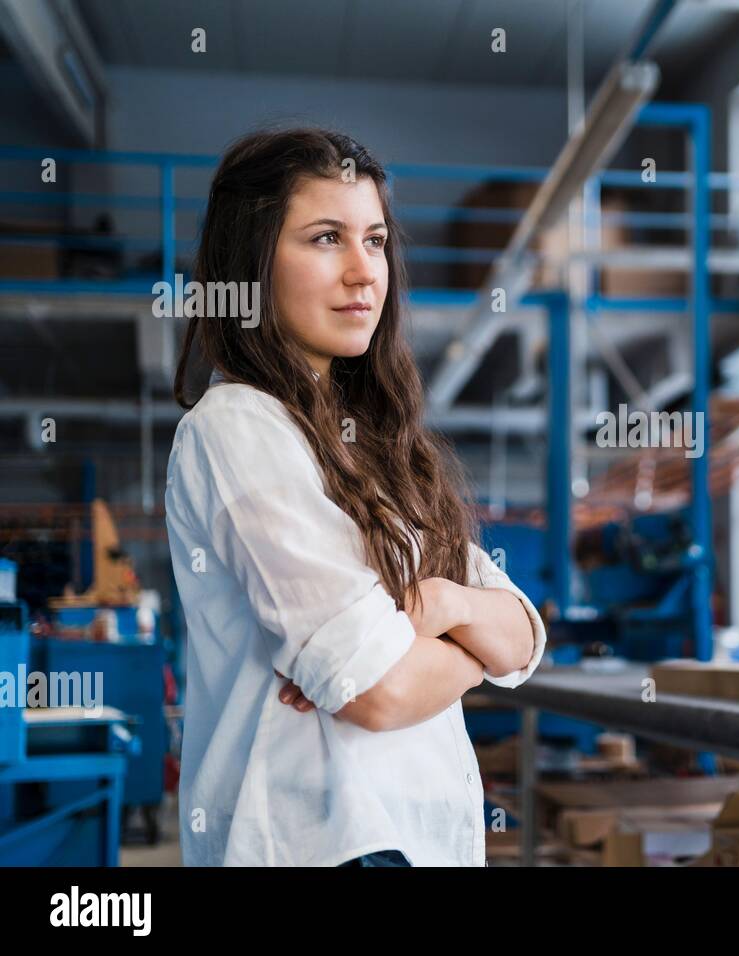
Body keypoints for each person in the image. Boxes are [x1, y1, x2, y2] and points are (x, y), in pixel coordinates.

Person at [164, 128, 545, 867]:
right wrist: (470, 649)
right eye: (325, 238)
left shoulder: (371, 448)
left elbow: (526, 637)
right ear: (251, 263)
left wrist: (454, 614)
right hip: (319, 843)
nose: (362, 272)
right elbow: (378, 691)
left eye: (374, 241)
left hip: (412, 838)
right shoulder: (239, 427)